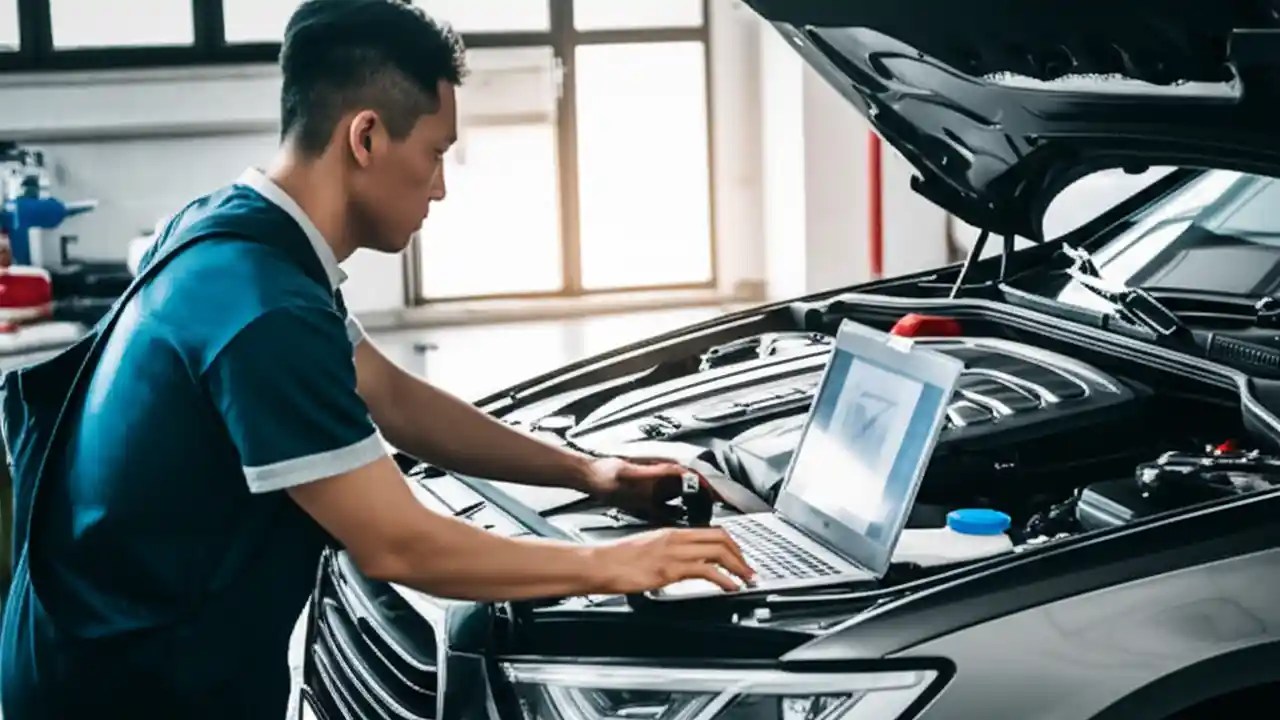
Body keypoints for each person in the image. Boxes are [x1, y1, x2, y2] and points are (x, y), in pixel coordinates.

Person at [0, 1, 754, 717]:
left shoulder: (234, 232)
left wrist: (589, 472)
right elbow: (399, 543)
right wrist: (617, 565)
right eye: (435, 153)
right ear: (365, 137)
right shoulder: (266, 310)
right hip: (125, 693)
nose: (441, 187)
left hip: (81, 648)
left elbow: (389, 395)